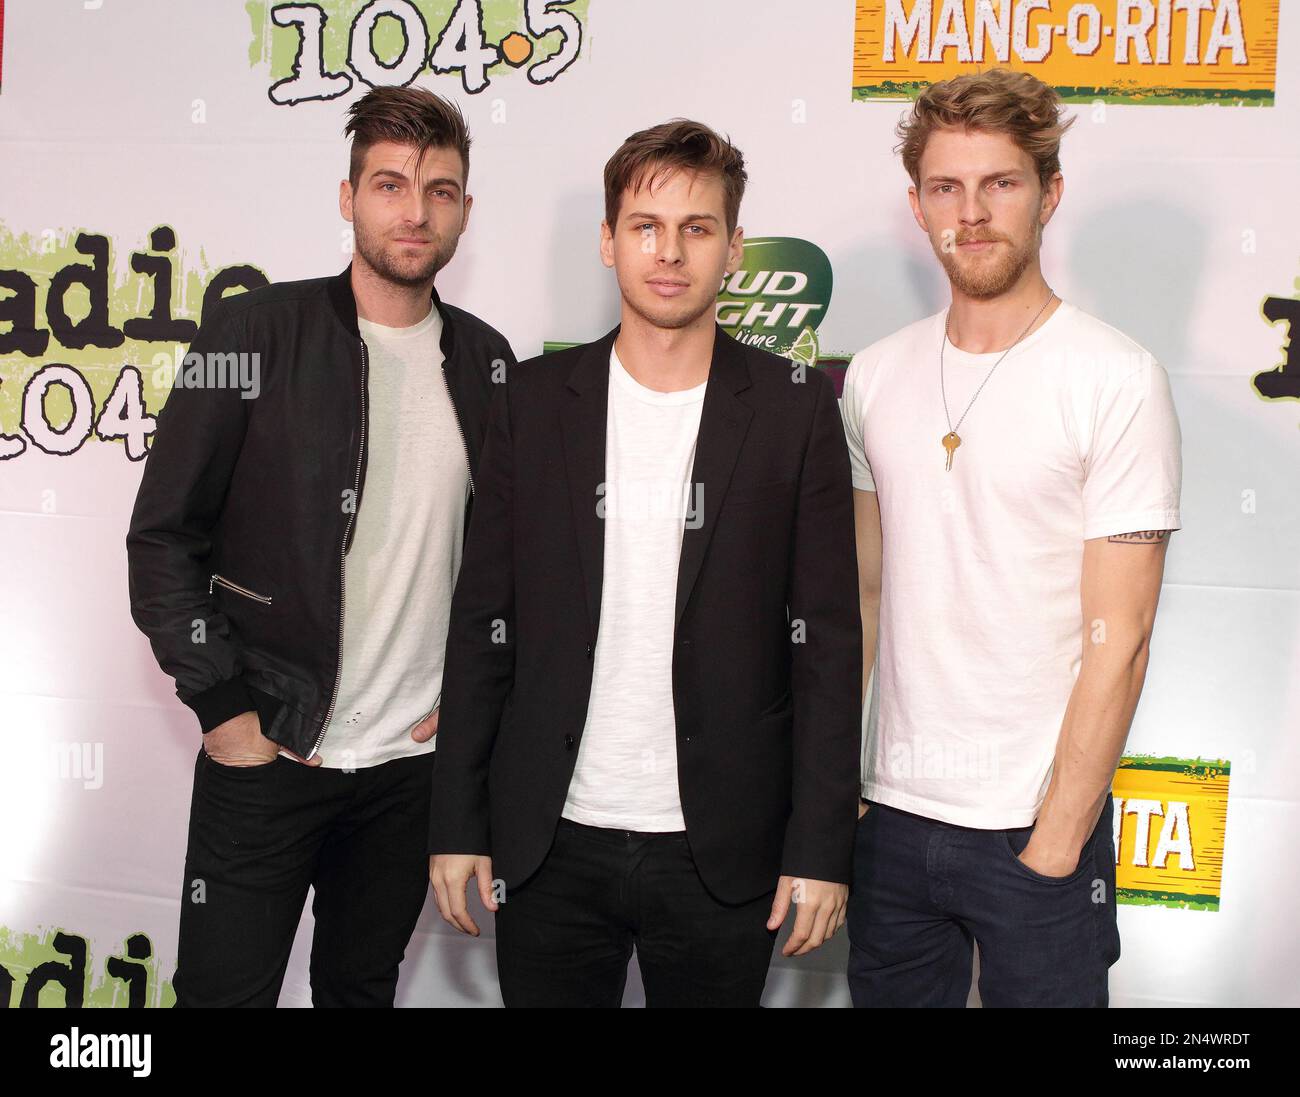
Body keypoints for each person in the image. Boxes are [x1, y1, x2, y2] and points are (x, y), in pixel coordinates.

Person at [427, 119, 862, 1007]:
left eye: (698, 228)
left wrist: (819, 846)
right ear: (608, 240)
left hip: (722, 848)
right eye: (645, 226)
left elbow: (828, 644)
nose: (670, 252)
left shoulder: (793, 411)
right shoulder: (536, 401)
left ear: (734, 248)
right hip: (551, 839)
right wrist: (456, 820)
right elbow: (482, 622)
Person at [126, 85, 515, 1007]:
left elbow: (515, 567)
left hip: (406, 778)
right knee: (220, 994)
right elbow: (162, 536)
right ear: (348, 200)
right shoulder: (253, 332)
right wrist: (226, 711)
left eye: (441, 191)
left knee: (359, 988)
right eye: (389, 185)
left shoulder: (491, 363)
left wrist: (474, 698)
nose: (415, 212)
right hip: (268, 749)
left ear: (465, 209)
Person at [840, 68, 1183, 1008]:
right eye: (947, 186)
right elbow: (865, 596)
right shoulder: (873, 377)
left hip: (1035, 829)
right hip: (893, 820)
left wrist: (1059, 838)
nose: (973, 211)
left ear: (1050, 193)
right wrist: (854, 788)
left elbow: (1125, 637)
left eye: (1001, 183)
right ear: (917, 205)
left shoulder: (1116, 378)